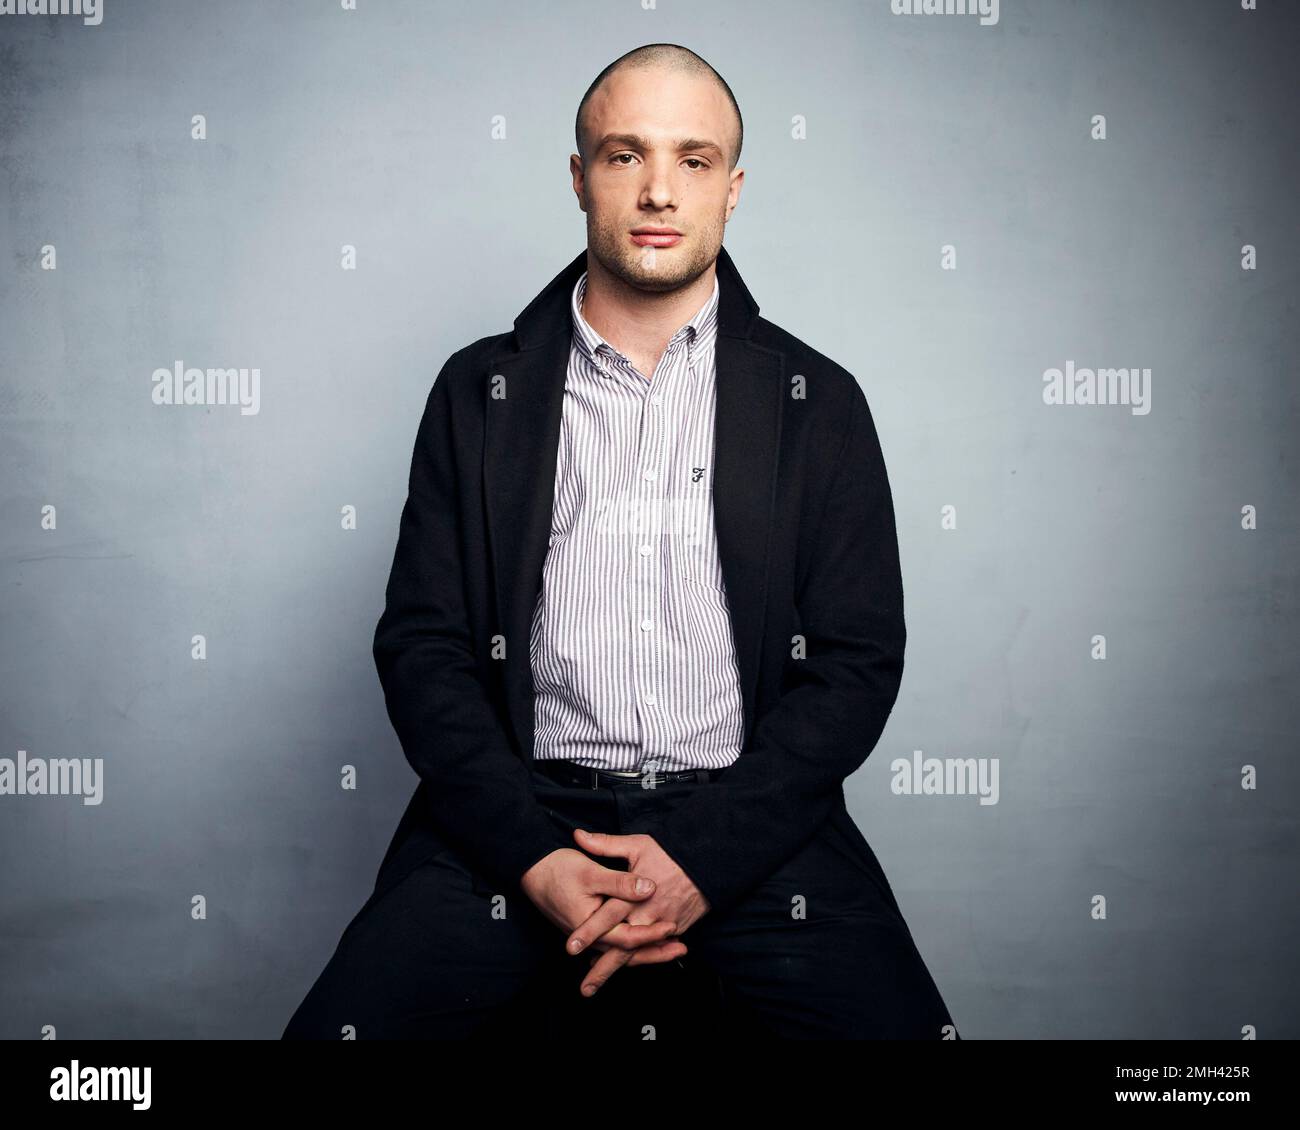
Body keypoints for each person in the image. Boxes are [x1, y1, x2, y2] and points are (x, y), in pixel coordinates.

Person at [283, 42, 957, 1040]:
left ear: (732, 189)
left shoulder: (817, 401)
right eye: (622, 154)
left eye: (691, 160)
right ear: (577, 176)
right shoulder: (479, 390)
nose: (656, 189)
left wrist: (702, 861)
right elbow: (423, 647)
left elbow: (855, 665)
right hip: (519, 818)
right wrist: (535, 857)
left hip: (752, 826)